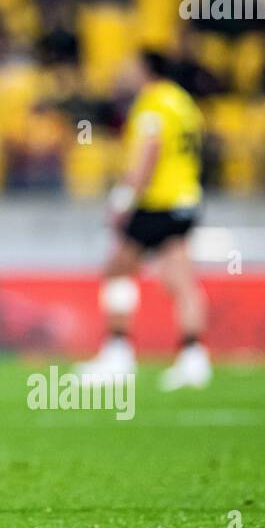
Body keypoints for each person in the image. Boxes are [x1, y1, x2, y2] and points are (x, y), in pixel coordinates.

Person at [76, 51, 211, 391]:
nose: (124, 72)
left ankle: (118, 353)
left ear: (146, 71)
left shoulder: (152, 103)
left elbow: (150, 150)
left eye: (130, 67)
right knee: (180, 280)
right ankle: (194, 357)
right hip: (186, 200)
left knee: (117, 269)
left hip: (156, 203)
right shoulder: (183, 104)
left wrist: (125, 196)